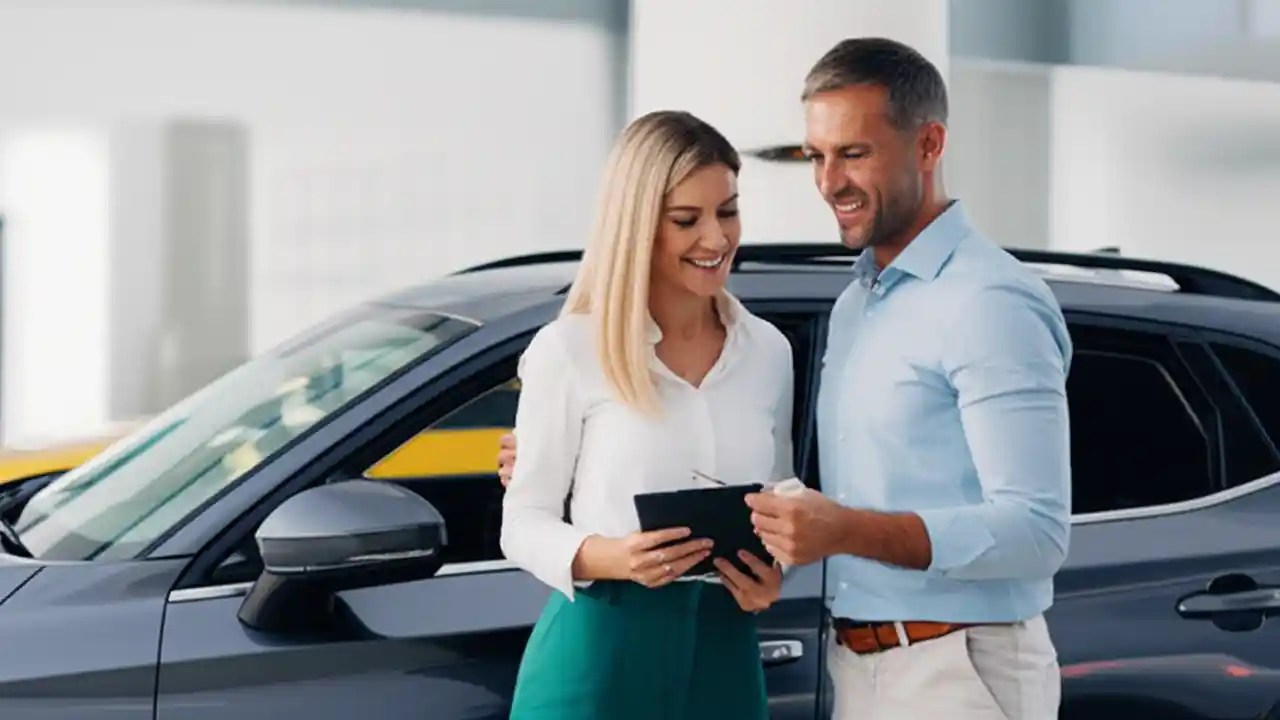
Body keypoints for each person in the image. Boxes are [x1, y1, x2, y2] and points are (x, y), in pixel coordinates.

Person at [500, 38, 1072, 719]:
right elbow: (796, 504)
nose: (829, 182)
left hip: (952, 664)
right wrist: (570, 489)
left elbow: (1037, 530)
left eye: (853, 153)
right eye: (817, 156)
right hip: (848, 662)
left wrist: (835, 535)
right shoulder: (861, 301)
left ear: (929, 145)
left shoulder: (985, 302)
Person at [498, 109, 796, 720]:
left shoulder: (768, 351)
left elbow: (781, 496)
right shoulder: (571, 350)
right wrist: (615, 557)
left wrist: (777, 573)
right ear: (636, 226)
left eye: (728, 211)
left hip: (725, 658)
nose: (716, 239)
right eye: (687, 219)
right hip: (599, 657)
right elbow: (521, 522)